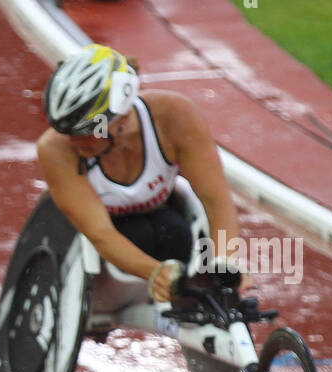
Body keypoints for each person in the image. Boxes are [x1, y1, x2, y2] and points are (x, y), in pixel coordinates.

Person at [35, 43, 244, 310]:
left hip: (165, 221)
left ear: (120, 118)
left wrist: (226, 262)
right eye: (66, 130)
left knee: (174, 234)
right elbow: (101, 235)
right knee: (144, 234)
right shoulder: (55, 148)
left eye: (85, 130)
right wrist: (157, 273)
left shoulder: (174, 116)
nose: (75, 141)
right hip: (95, 248)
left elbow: (216, 201)